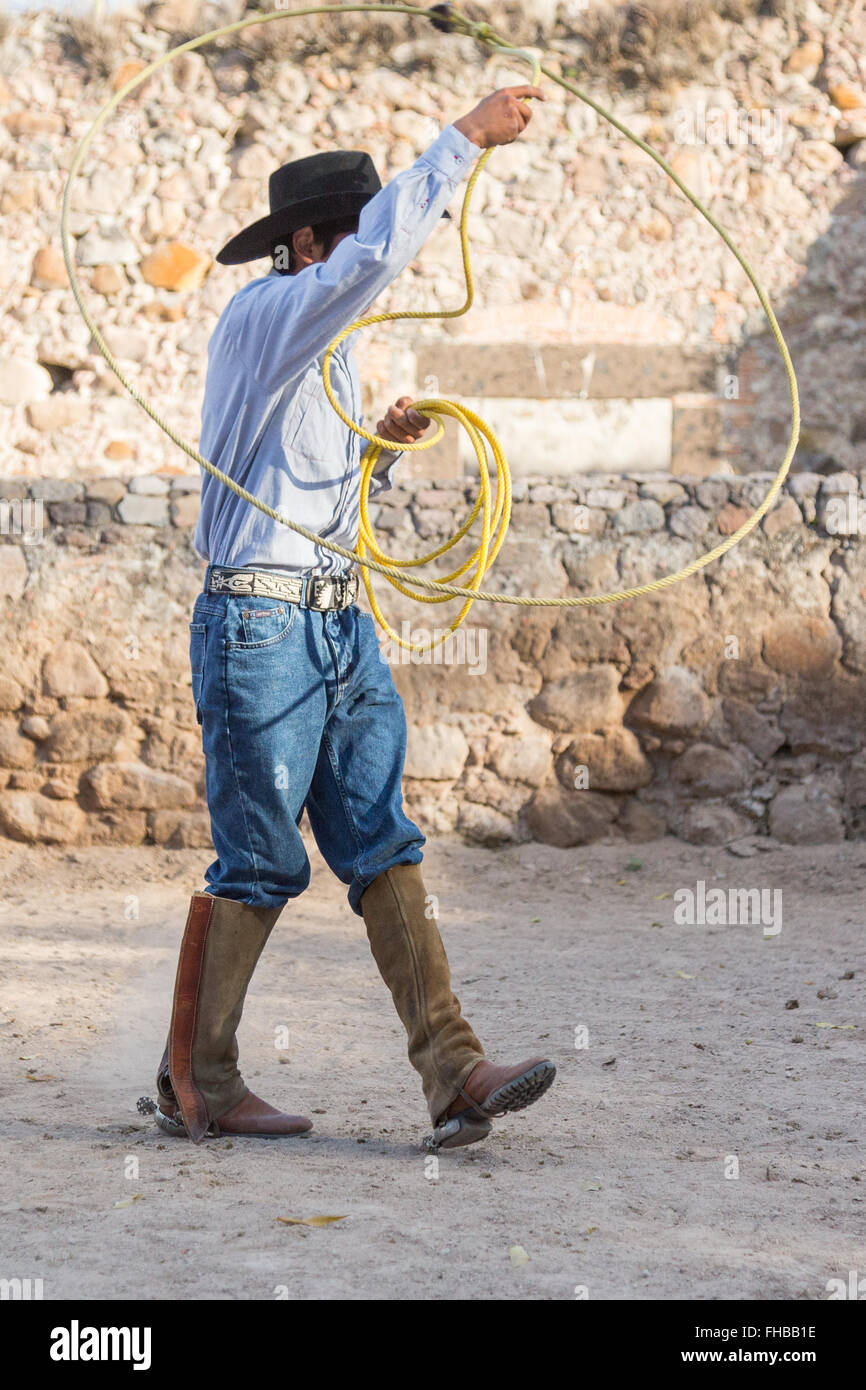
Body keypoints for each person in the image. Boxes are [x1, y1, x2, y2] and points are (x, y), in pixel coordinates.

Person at [145, 84, 557, 1152]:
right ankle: (199, 1076)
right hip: (263, 626)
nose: (375, 253)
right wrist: (460, 142)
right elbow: (375, 259)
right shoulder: (272, 313)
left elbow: (297, 486)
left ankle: (454, 1071)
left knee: (380, 839)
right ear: (313, 243)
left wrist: (371, 449)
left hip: (333, 620)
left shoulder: (321, 347)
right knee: (260, 859)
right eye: (358, 229)